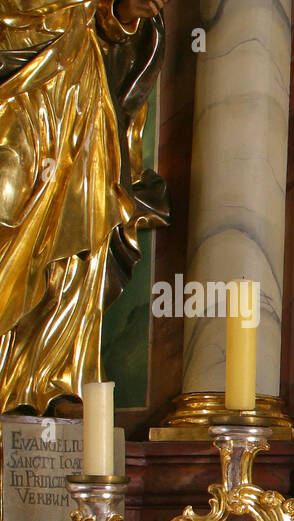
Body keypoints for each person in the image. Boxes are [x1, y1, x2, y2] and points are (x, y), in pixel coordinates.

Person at [0, 0, 170, 414]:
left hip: (79, 87)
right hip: (17, 87)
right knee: (10, 215)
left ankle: (52, 380)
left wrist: (125, 11)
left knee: (82, 235)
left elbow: (105, 22)